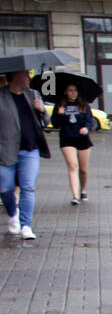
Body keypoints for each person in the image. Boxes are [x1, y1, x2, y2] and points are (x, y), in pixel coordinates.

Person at [0, 68, 50, 240]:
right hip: (6, 151)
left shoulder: (33, 94)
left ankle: (26, 225)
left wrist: (42, 109)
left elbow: (46, 122)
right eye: (25, 75)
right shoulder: (1, 96)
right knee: (5, 187)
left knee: (27, 187)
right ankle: (13, 213)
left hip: (30, 149)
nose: (29, 78)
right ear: (15, 77)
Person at [51, 82, 95, 205]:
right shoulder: (60, 105)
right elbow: (55, 124)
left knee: (83, 169)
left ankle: (83, 190)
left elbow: (89, 120)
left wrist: (86, 128)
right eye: (70, 90)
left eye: (75, 90)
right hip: (67, 138)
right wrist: (59, 114)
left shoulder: (83, 105)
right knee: (73, 166)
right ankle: (75, 196)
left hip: (82, 138)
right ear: (65, 92)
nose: (73, 93)